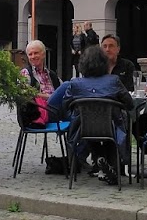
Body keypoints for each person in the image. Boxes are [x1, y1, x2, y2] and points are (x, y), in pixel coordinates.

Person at [48, 45, 132, 183]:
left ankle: (99, 157)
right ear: (104, 63)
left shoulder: (76, 84)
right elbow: (129, 103)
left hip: (83, 129)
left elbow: (65, 104)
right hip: (110, 127)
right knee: (112, 127)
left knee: (88, 126)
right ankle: (112, 169)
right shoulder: (114, 80)